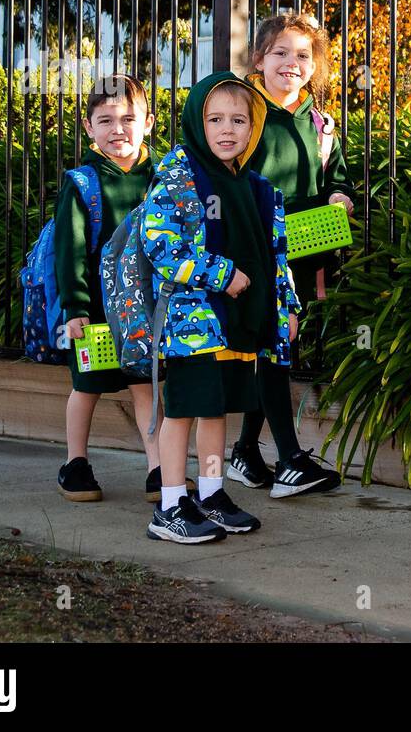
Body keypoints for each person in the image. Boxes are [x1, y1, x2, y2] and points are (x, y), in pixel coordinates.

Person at [143, 72, 299, 544]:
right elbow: (160, 241)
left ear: (253, 129)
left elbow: (277, 255)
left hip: (238, 325)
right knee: (184, 410)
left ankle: (211, 494)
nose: (227, 130)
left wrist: (286, 306)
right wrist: (219, 274)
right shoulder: (179, 174)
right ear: (197, 122)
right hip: (192, 324)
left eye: (239, 120)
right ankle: (170, 504)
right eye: (215, 119)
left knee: (217, 412)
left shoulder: (258, 188)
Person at [227, 13, 350, 498]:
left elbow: (337, 174)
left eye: (303, 55)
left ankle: (244, 451)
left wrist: (338, 195)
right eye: (280, 52)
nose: (291, 63)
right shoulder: (246, 113)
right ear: (259, 59)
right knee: (274, 345)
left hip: (302, 252)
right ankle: (292, 459)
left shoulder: (319, 121)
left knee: (275, 348)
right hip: (258, 252)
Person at [54, 74, 177, 503]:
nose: (117, 129)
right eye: (105, 121)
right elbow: (67, 249)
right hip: (98, 310)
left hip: (146, 307)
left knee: (146, 386)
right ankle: (75, 463)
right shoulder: (83, 182)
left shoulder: (163, 176)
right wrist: (75, 307)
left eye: (128, 118)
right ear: (88, 128)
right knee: (87, 384)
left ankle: (158, 469)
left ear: (149, 122)